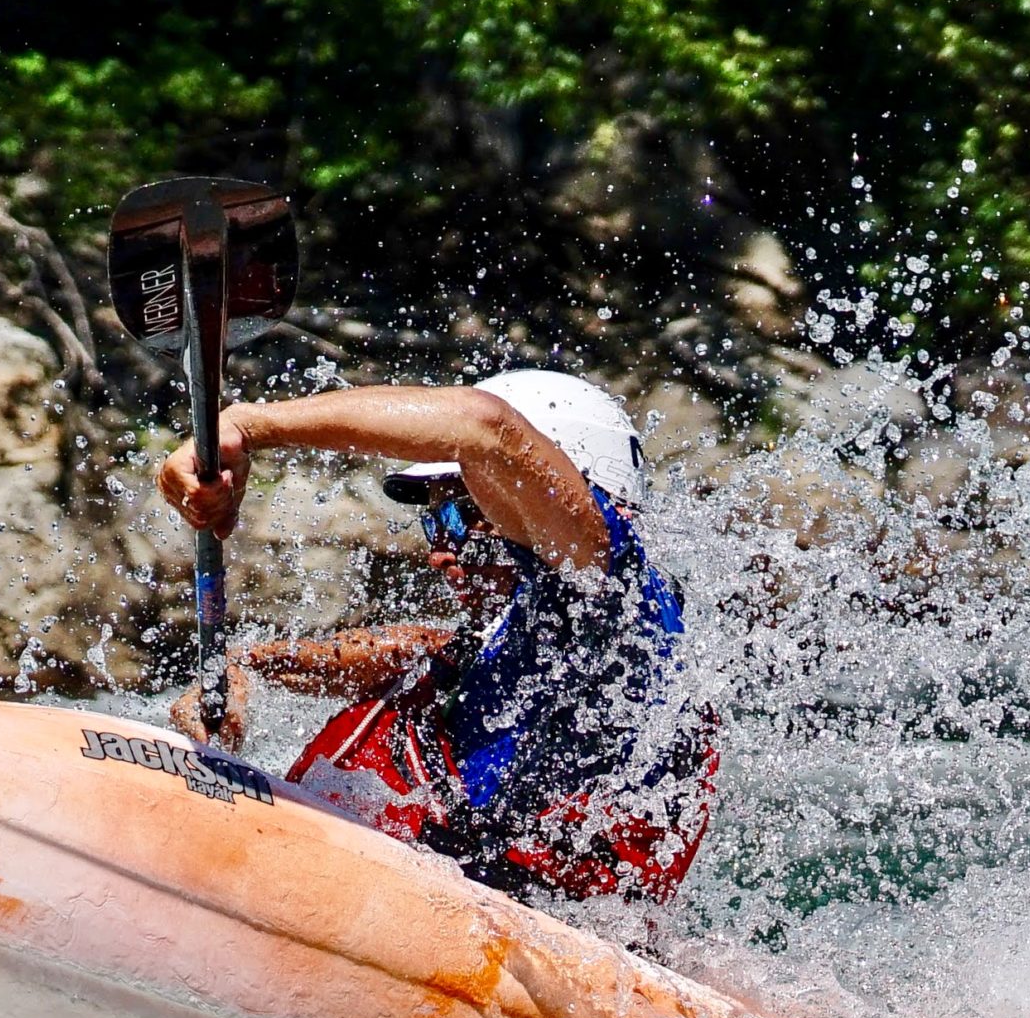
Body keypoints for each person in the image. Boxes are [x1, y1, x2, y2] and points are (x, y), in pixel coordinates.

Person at [158, 369, 716, 909]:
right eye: (433, 523)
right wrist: (236, 670)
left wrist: (248, 426)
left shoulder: (614, 599)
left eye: (457, 513)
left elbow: (483, 428)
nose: (438, 550)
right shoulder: (506, 638)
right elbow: (406, 652)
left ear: (553, 490)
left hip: (530, 941)